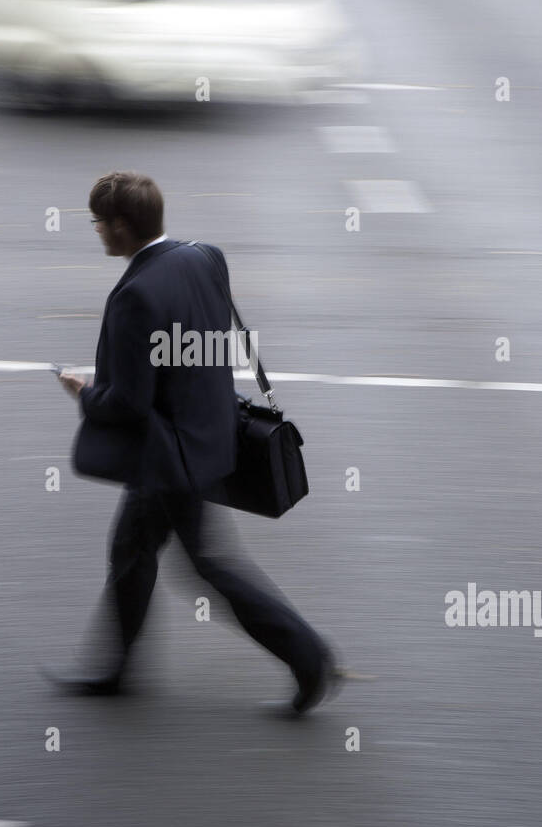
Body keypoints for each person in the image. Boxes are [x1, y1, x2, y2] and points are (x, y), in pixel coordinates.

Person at [52, 171, 343, 716]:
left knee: (206, 563)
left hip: (170, 456)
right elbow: (193, 347)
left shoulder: (135, 294)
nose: (95, 233)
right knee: (133, 553)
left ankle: (309, 658)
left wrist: (85, 392)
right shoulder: (204, 256)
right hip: (210, 432)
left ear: (119, 226)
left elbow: (130, 404)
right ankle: (116, 669)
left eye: (97, 224)